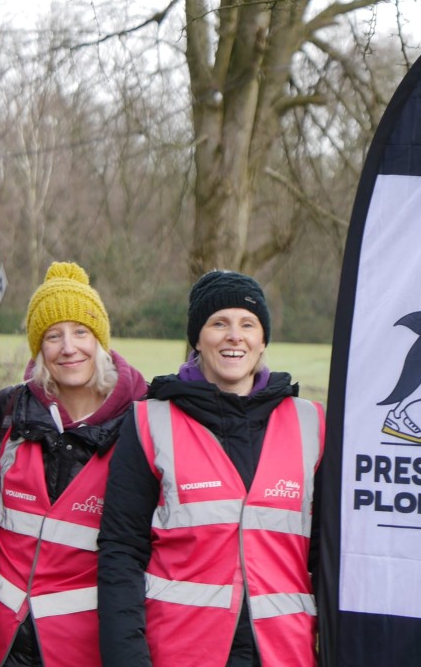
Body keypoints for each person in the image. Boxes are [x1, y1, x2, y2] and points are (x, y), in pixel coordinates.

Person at [97, 270, 325, 667]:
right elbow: (122, 551)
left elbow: (327, 556)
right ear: (197, 339)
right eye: (219, 323)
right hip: (181, 652)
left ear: (262, 339)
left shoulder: (313, 425)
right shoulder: (150, 422)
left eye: (248, 324)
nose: (234, 336)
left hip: (285, 652)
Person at [0, 261, 148, 667]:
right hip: (1, 647)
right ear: (39, 348)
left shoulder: (143, 423)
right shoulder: (7, 411)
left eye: (81, 332)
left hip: (88, 649)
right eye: (53, 336)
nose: (68, 347)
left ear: (101, 342)